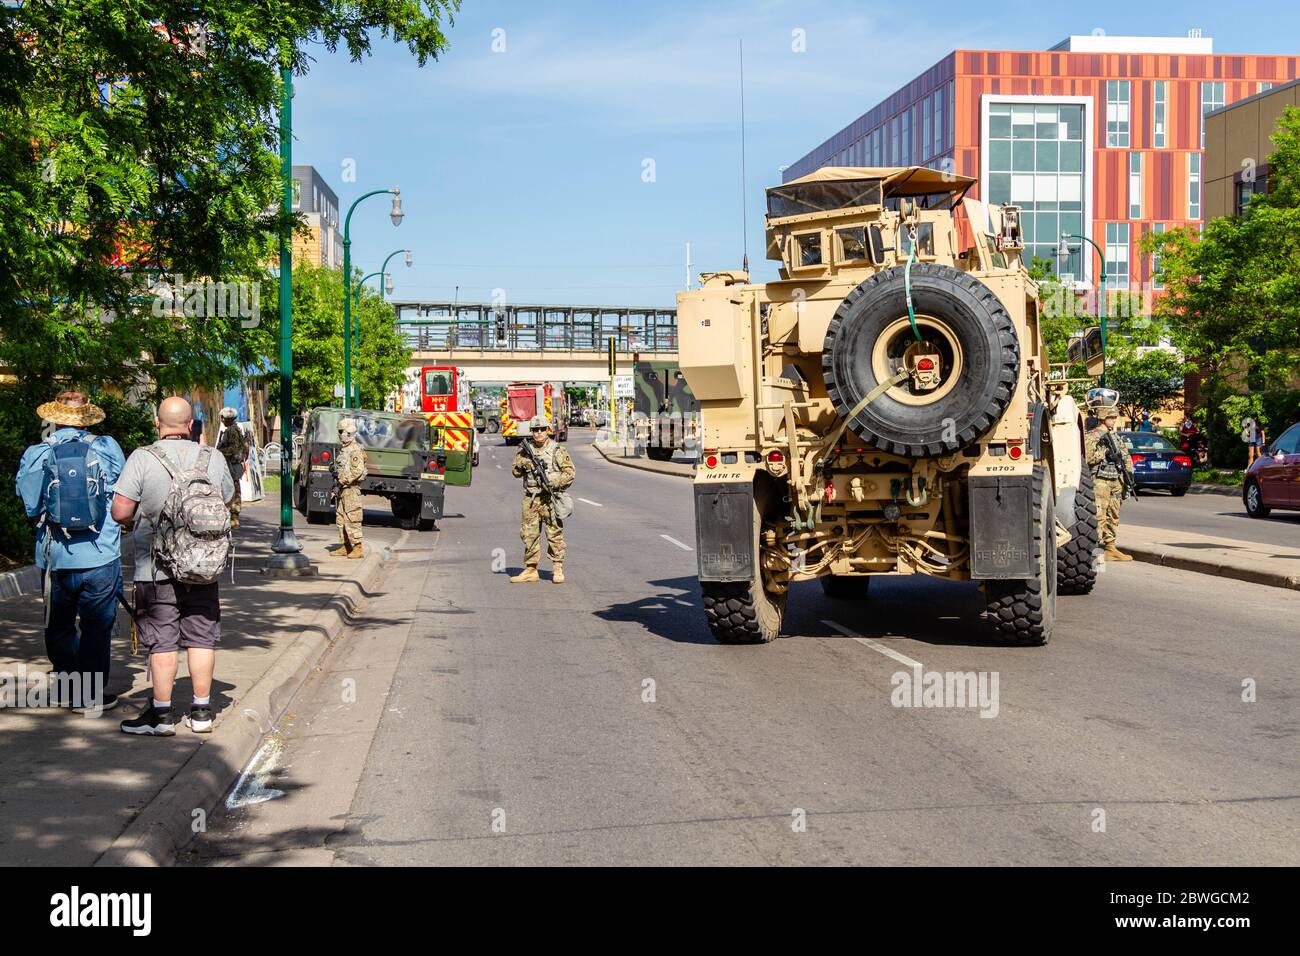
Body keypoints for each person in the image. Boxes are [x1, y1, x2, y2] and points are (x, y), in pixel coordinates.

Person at [111, 396, 233, 735]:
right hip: (202, 567)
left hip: (155, 568)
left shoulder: (142, 458)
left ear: (157, 423)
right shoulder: (213, 457)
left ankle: (162, 717)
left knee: (163, 640)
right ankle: (202, 712)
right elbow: (225, 501)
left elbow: (120, 511)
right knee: (202, 638)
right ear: (191, 425)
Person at [14, 390, 125, 712]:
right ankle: (89, 696)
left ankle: (66, 683)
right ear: (88, 417)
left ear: (53, 417)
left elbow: (31, 505)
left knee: (58, 623)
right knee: (96, 626)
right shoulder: (106, 448)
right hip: (100, 553)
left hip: (54, 556)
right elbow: (123, 495)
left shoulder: (37, 453)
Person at [510, 414, 575, 584]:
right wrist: (524, 463)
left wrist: (553, 482)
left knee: (554, 534)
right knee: (529, 534)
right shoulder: (525, 449)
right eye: (535, 430)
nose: (538, 433)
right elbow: (515, 472)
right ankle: (531, 569)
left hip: (550, 498)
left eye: (542, 429)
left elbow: (570, 473)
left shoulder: (557, 450)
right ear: (531, 431)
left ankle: (557, 568)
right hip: (531, 498)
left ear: (547, 430)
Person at [1085, 404, 1134, 563]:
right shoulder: (1092, 436)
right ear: (1102, 417)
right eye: (1111, 417)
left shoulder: (1115, 436)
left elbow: (1125, 455)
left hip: (1116, 480)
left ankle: (1110, 548)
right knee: (1099, 516)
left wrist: (1129, 474)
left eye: (1114, 417)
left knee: (1113, 515)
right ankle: (1096, 553)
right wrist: (1103, 452)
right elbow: (1089, 458)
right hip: (1100, 480)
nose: (1114, 420)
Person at [330, 417, 367, 559]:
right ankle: (345, 546)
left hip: (351, 489)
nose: (340, 434)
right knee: (340, 518)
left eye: (341, 431)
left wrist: (344, 480)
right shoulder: (344, 450)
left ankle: (358, 547)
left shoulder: (355, 450)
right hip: (342, 489)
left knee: (353, 517)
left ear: (349, 432)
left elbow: (358, 470)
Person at [215, 406, 248, 529]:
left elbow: (233, 448)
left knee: (232, 490)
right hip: (235, 464)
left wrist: (219, 452)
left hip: (231, 465)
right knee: (235, 489)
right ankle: (233, 517)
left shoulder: (231, 431)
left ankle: (233, 517)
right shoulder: (237, 429)